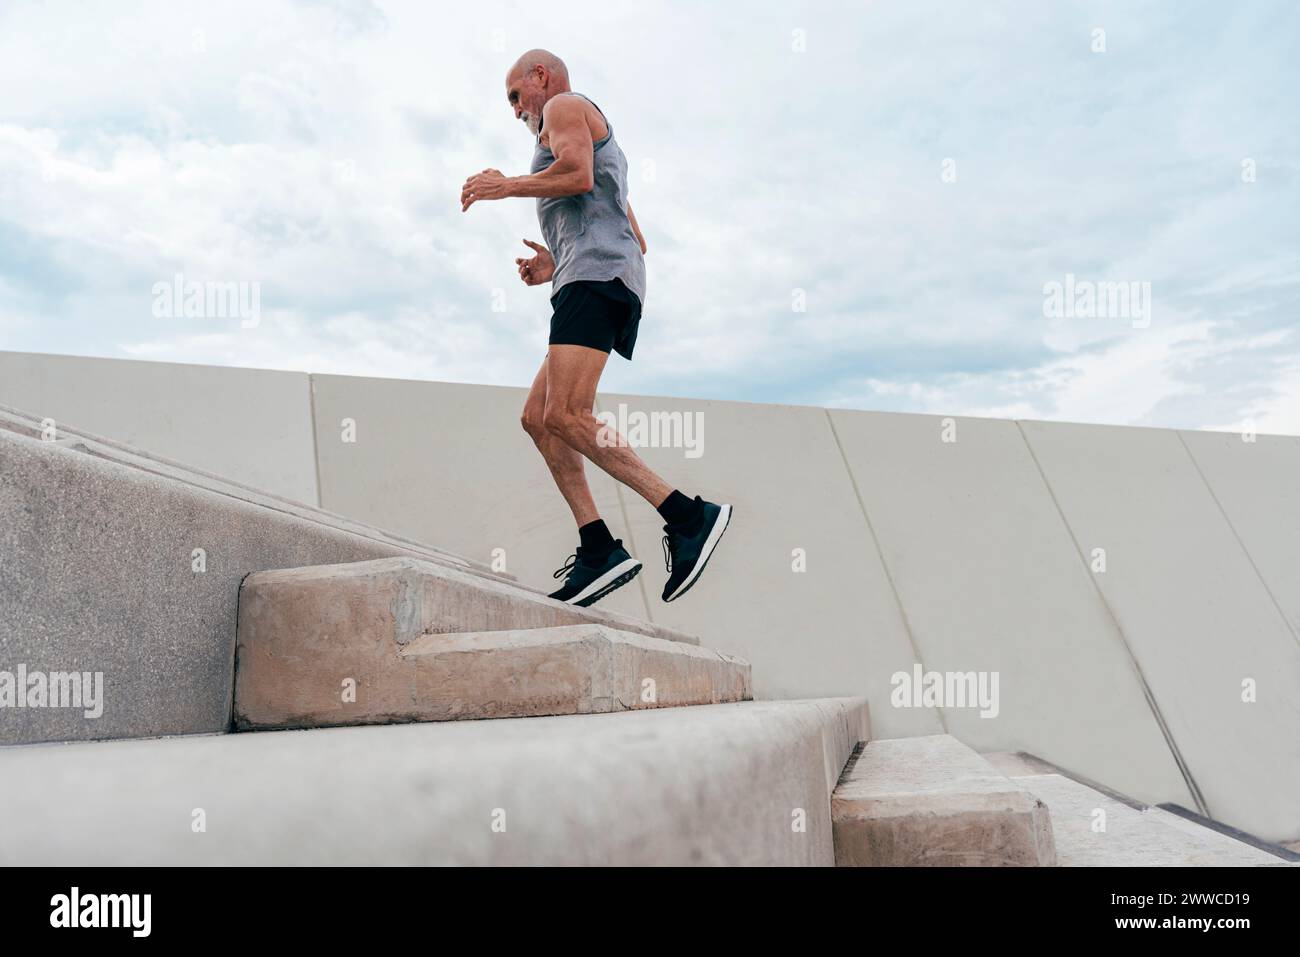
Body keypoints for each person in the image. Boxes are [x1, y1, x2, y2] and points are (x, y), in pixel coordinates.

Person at [461, 49, 731, 608]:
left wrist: (506, 186)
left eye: (515, 95)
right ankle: (597, 546)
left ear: (541, 77)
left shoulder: (564, 105)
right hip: (593, 277)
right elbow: (632, 232)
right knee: (538, 418)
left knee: (567, 414)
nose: (515, 111)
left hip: (597, 282)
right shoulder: (573, 126)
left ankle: (687, 516)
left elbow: (579, 175)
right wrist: (555, 265)